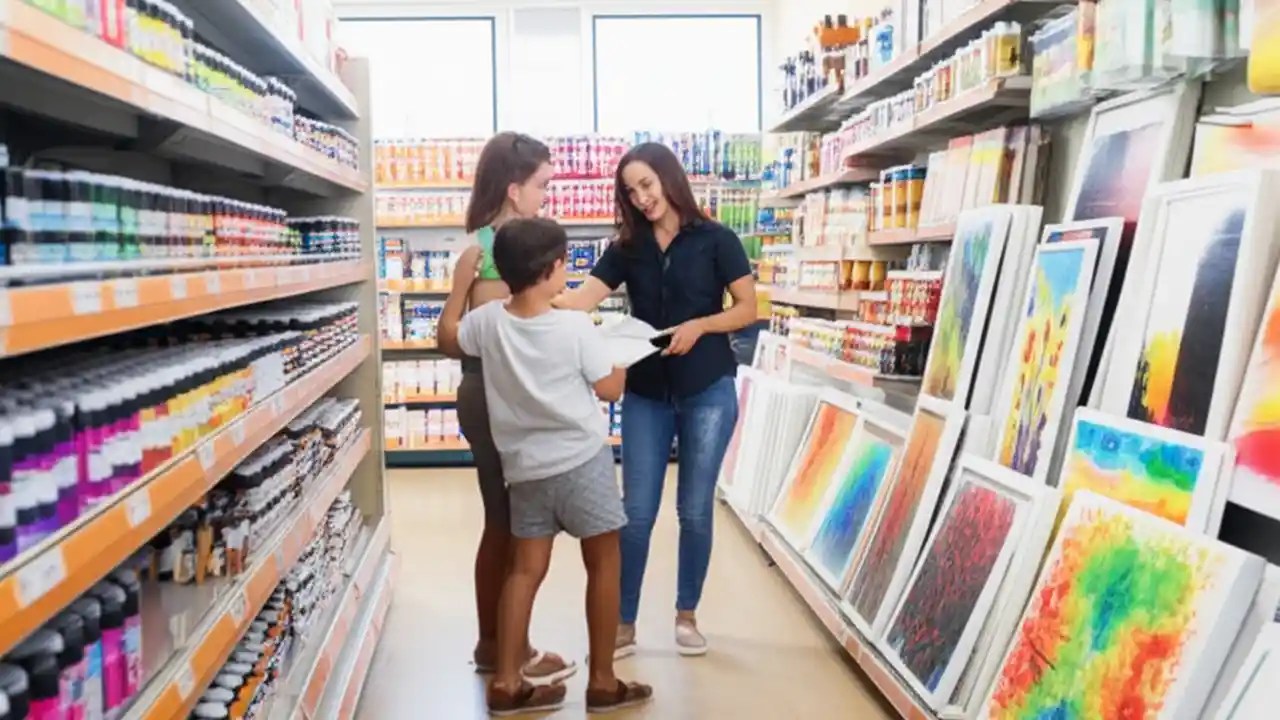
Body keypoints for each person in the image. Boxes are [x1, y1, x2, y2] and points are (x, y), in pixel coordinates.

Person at [440, 218, 654, 715]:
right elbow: (610, 389)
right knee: (603, 562)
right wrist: (623, 353)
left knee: (524, 571)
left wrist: (458, 287)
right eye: (565, 263)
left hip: (525, 471)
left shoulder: (488, 320)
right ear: (552, 269)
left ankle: (507, 683)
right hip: (582, 463)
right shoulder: (575, 326)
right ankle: (602, 681)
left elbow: (449, 338)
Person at [555, 142, 757, 657]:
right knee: (637, 512)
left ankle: (686, 616)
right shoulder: (628, 248)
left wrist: (701, 325)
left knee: (694, 510)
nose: (641, 198)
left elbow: (747, 309)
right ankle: (623, 621)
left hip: (708, 388)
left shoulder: (716, 239)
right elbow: (581, 300)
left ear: (669, 178)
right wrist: (527, 289)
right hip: (646, 392)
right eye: (630, 191)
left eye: (647, 184)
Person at [436, 132, 574, 684]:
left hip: (491, 398)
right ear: (515, 190)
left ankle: (497, 645)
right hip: (498, 400)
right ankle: (505, 651)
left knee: (505, 523)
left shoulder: (485, 245)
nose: (547, 195)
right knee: (514, 527)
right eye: (542, 185)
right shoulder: (494, 251)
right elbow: (484, 335)